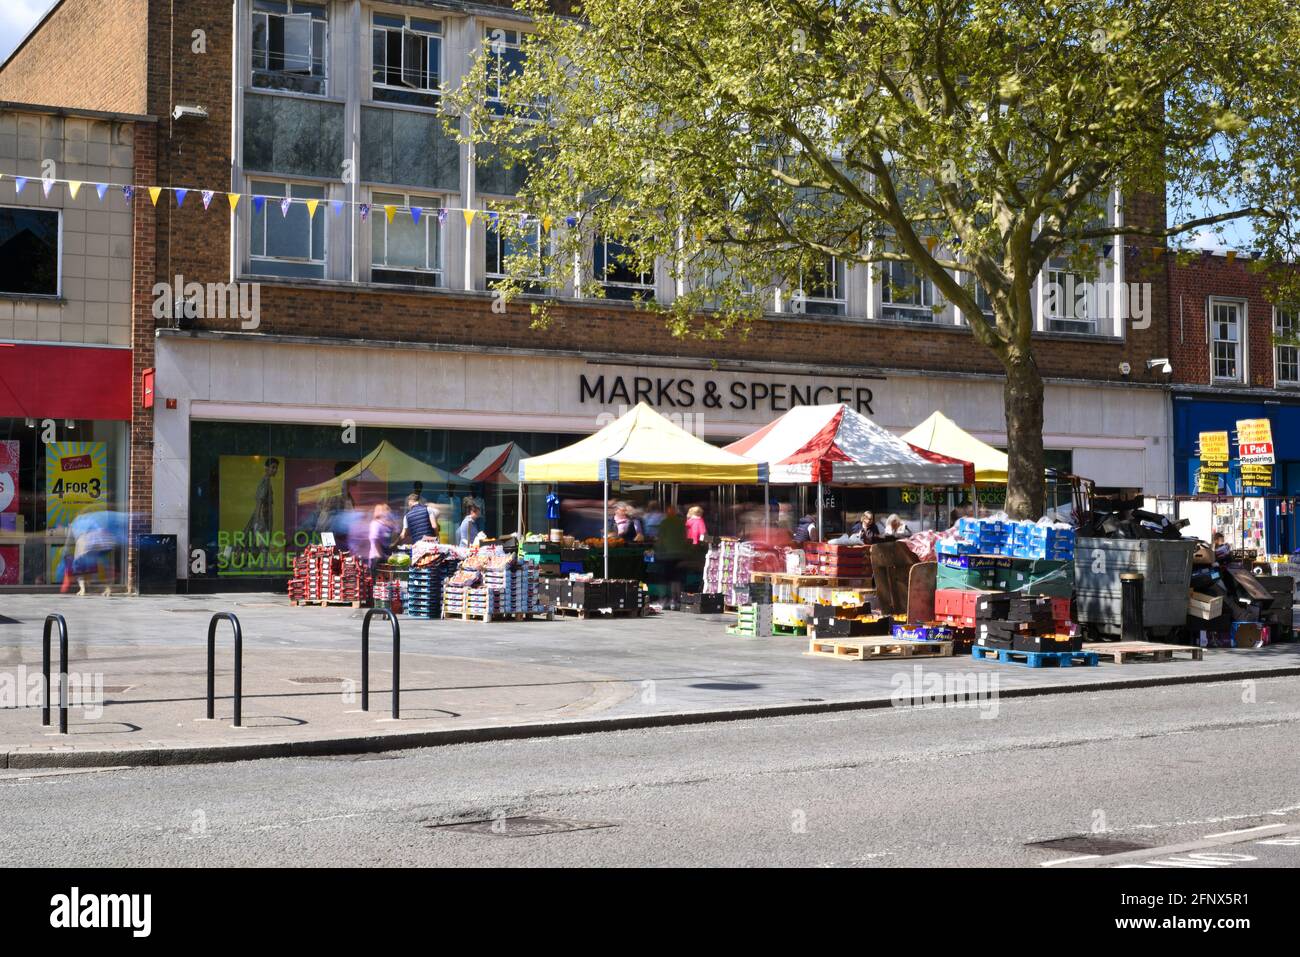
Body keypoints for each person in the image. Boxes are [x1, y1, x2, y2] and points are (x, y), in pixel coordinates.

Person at [367, 503, 398, 574]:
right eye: (385, 511)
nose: (388, 513)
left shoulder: (387, 525)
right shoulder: (375, 524)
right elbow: (374, 538)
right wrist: (380, 554)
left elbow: (397, 532)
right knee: (377, 581)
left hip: (385, 556)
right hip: (377, 557)